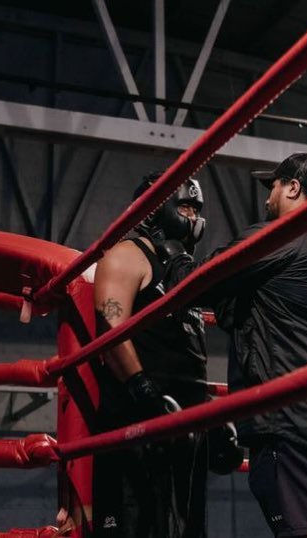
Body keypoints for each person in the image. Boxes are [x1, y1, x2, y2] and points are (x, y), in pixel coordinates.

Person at [155, 153, 307, 538]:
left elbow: (198, 284)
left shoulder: (283, 235)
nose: (268, 196)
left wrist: (172, 254)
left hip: (295, 419)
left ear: (293, 187)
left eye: (273, 185)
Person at [91, 172, 212, 538]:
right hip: (139, 421)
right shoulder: (128, 255)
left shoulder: (180, 270)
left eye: (196, 209)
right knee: (137, 528)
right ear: (157, 209)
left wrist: (211, 414)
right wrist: (143, 390)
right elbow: (111, 328)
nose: (193, 217)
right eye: (185, 206)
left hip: (184, 426)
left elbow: (185, 349)